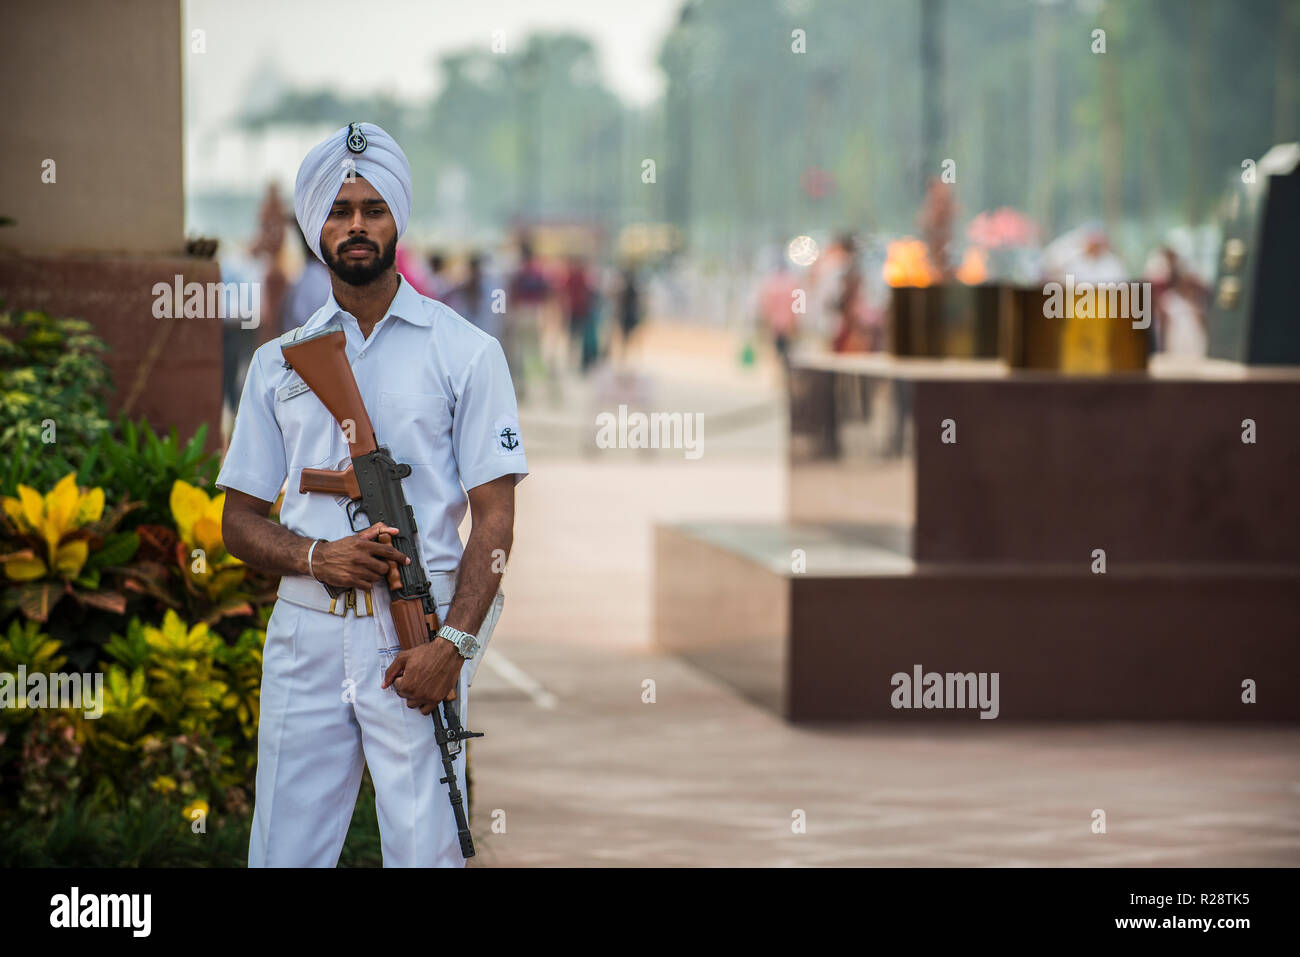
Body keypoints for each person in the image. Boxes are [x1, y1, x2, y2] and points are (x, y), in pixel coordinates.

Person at [216, 121, 528, 868]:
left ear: (398, 220)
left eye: (374, 208)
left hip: (415, 634)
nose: (356, 224)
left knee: (426, 851)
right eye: (340, 209)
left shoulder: (466, 353)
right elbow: (236, 521)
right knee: (284, 852)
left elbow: (494, 522)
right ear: (316, 225)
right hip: (306, 636)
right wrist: (318, 554)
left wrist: (451, 647)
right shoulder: (277, 365)